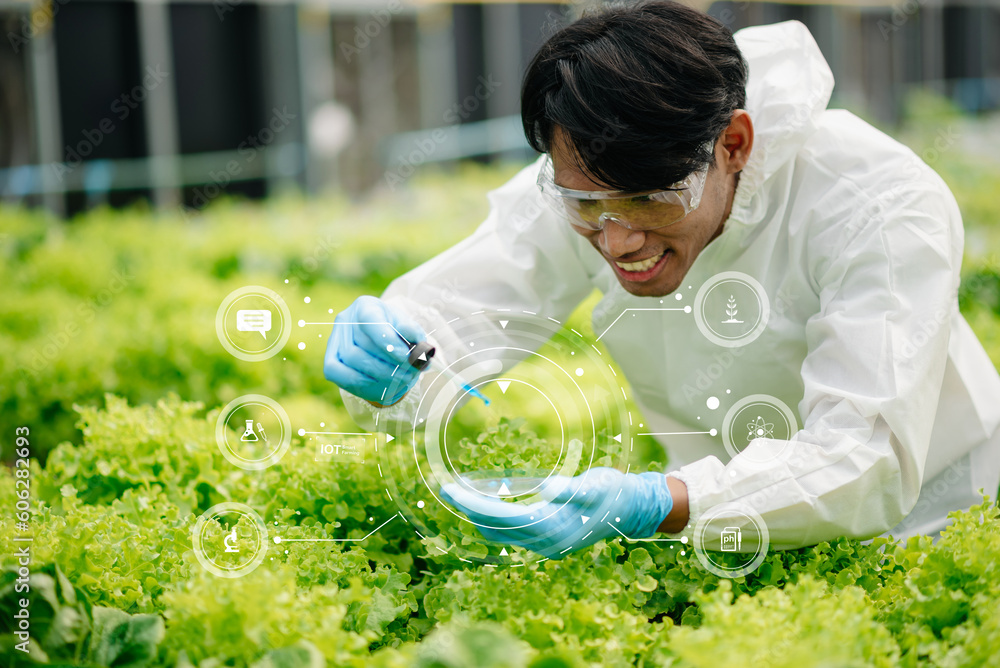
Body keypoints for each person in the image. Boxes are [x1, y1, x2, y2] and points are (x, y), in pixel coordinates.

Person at [323, 1, 1000, 560]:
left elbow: (866, 456)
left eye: (651, 201)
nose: (617, 240)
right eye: (586, 208)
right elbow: (458, 312)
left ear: (733, 145)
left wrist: (658, 502)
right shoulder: (587, 182)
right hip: (725, 521)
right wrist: (396, 354)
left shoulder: (876, 204)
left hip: (933, 517)